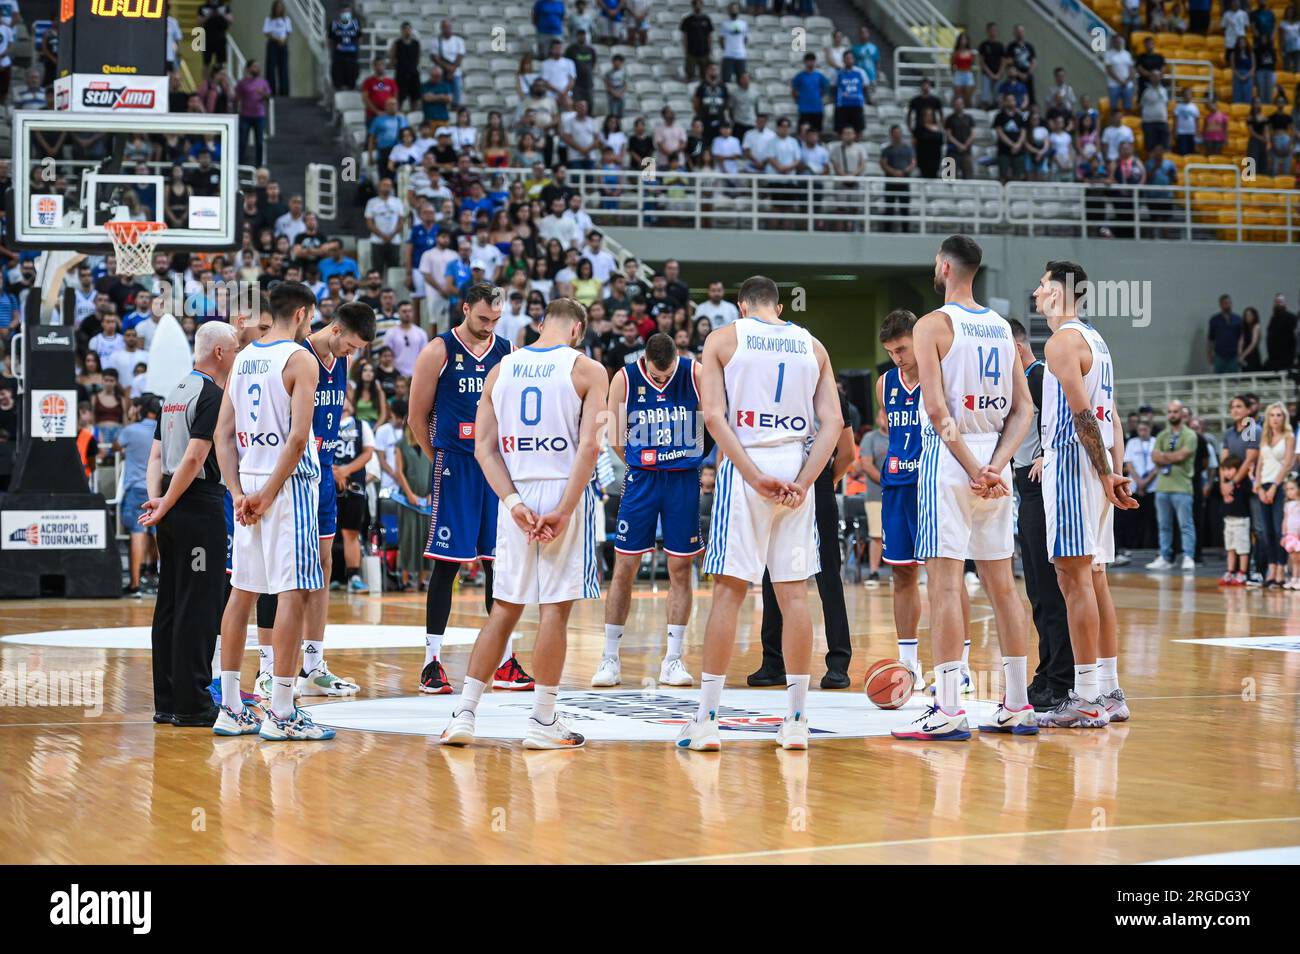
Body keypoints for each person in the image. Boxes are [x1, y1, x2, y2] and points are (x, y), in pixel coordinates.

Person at [678, 275, 843, 752]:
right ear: (778, 306)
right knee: (793, 597)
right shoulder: (812, 345)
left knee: (729, 594)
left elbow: (713, 417)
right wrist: (806, 480)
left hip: (746, 465)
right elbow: (831, 423)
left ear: (740, 304)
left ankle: (707, 719)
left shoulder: (723, 338)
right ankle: (795, 720)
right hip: (797, 468)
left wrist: (750, 475)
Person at [438, 298, 607, 749]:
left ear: (540, 324)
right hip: (562, 487)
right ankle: (543, 721)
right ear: (578, 330)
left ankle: (464, 714)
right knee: (554, 609)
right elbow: (590, 447)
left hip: (515, 493)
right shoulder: (588, 370)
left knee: (505, 608)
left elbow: (483, 449)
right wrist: (566, 509)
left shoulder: (501, 369)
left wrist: (513, 502)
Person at [893, 235, 1035, 742]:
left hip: (952, 462)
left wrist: (974, 466)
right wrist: (997, 466)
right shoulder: (1001, 326)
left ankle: (949, 707)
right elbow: (1025, 408)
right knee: (1003, 587)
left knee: (947, 586)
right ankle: (1018, 703)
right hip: (996, 464)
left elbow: (936, 411)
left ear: (945, 266)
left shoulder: (932, 324)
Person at [213, 281, 334, 741]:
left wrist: (237, 490)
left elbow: (223, 435)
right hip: (289, 488)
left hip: (247, 486)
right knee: (293, 593)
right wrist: (267, 493)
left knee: (241, 592)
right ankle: (282, 710)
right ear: (302, 314)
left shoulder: (242, 358)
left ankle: (230, 707)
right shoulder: (300, 358)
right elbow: (299, 438)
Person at [408, 282, 535, 694]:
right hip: (455, 465)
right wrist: (438, 459)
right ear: (464, 309)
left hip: (494, 468)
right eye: (483, 318)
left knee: (500, 565)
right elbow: (416, 416)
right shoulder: (438, 350)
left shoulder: (509, 353)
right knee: (447, 565)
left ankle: (505, 661)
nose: (489, 326)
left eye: (495, 320)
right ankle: (432, 664)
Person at [1036, 261, 1137, 729]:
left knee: (1073, 580)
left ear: (1057, 294)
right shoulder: (1099, 341)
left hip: (1076, 471)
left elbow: (1083, 417)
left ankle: (1086, 696)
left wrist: (1101, 474)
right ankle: (1110, 691)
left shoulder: (1061, 341)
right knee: (1095, 579)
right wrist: (1113, 472)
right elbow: (1112, 419)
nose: (1036, 293)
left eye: (1041, 286)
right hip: (1098, 473)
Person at [140, 322, 239, 727]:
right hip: (196, 507)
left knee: (170, 602)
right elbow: (196, 458)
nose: (237, 356)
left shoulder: (173, 394)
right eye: (234, 349)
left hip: (171, 503)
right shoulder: (212, 395)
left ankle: (166, 701)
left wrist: (158, 500)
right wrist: (168, 502)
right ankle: (193, 703)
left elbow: (156, 457)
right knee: (197, 606)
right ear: (218, 353)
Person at [592, 332, 703, 688]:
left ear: (676, 358)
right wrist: (643, 462)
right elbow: (615, 437)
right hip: (642, 481)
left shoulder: (695, 373)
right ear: (645, 361)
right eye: (655, 375)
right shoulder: (624, 377)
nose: (661, 380)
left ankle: (673, 659)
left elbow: (715, 418)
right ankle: (610, 658)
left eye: (666, 373)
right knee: (625, 565)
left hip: (683, 480)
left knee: (680, 567)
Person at [295, 302, 376, 696]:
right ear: (337, 329)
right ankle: (269, 668)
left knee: (324, 566)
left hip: (324, 473)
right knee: (289, 572)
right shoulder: (299, 353)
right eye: (351, 345)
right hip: (296, 472)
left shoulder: (339, 360)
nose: (353, 353)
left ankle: (312, 664)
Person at [1009, 318, 1074, 711]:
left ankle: (1060, 678)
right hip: (1022, 487)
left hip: (1039, 489)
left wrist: (1044, 455)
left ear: (1016, 349)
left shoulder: (1038, 377)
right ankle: (1046, 672)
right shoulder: (1024, 383)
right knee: (1036, 589)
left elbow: (1062, 423)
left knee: (1049, 590)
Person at [872, 310, 931, 691]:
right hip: (896, 484)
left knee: (945, 575)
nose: (898, 357)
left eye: (903, 348)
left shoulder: (940, 373)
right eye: (892, 352)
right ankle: (908, 661)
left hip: (930, 484)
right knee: (901, 572)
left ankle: (957, 664)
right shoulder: (884, 384)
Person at [115, 396, 161, 596]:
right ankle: (162, 581)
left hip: (136, 488)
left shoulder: (130, 431)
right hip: (159, 488)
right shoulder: (164, 430)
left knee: (137, 533)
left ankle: (134, 584)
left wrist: (131, 419)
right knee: (160, 536)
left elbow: (117, 446)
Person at [1146, 400, 1199, 571]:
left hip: (1182, 487)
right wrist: (1169, 456)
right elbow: (1154, 457)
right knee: (1164, 526)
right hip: (1162, 486)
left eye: (1175, 411)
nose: (1172, 415)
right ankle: (1165, 557)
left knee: (1186, 525)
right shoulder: (1162, 435)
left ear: (1182, 414)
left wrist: (1164, 456)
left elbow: (1181, 456)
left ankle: (1188, 556)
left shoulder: (1190, 435)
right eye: (1169, 411)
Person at [1253, 402, 1293, 587]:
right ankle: (1270, 566)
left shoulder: (1289, 436)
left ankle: (1281, 567)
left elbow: (1287, 464)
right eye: (1272, 415)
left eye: (1279, 415)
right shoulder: (1265, 436)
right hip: (1264, 485)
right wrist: (1259, 485)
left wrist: (1274, 486)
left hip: (1279, 485)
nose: (1276, 418)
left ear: (1284, 418)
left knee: (1279, 530)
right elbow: (1260, 463)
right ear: (1267, 418)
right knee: (1266, 531)